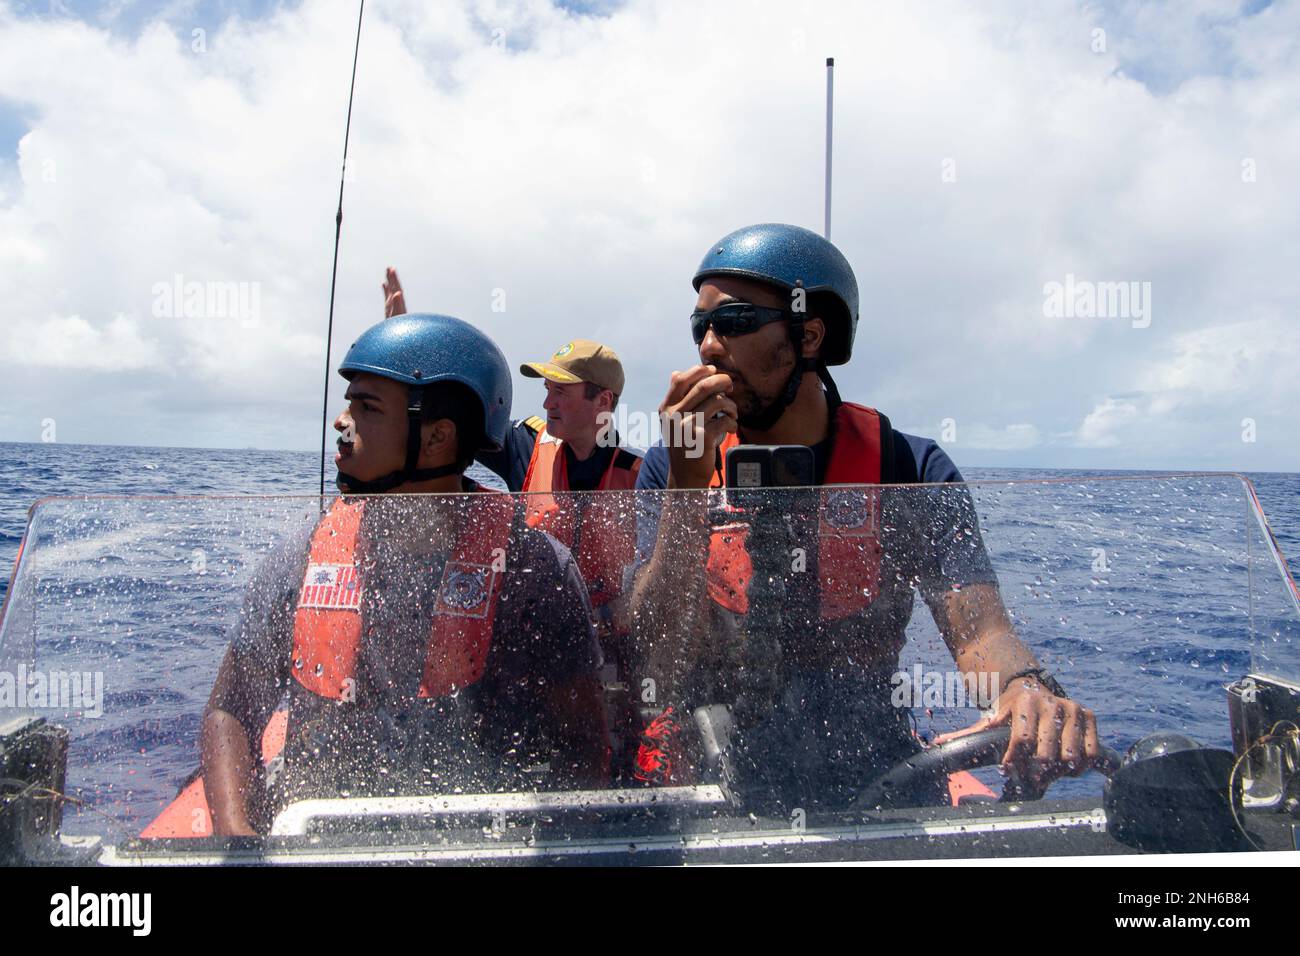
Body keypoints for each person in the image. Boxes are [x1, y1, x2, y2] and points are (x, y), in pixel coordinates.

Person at [628, 223, 1102, 812]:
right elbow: (656, 649)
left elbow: (983, 632)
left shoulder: (909, 466)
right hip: (714, 765)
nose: (708, 346)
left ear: (810, 335)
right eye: (701, 327)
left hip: (869, 764)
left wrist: (1020, 686)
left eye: (736, 321)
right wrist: (686, 488)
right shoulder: (669, 467)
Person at [200, 313, 609, 836]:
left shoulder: (534, 569)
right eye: (349, 403)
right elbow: (231, 709)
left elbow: (580, 741)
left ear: (438, 437)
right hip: (318, 839)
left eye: (366, 408)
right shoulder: (303, 553)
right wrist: (239, 840)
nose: (341, 423)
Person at [383, 268, 644, 777]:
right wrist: (405, 357)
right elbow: (459, 420)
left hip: (610, 654)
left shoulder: (643, 476)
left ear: (603, 403)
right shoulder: (524, 446)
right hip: (530, 648)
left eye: (561, 392)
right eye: (546, 390)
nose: (546, 403)